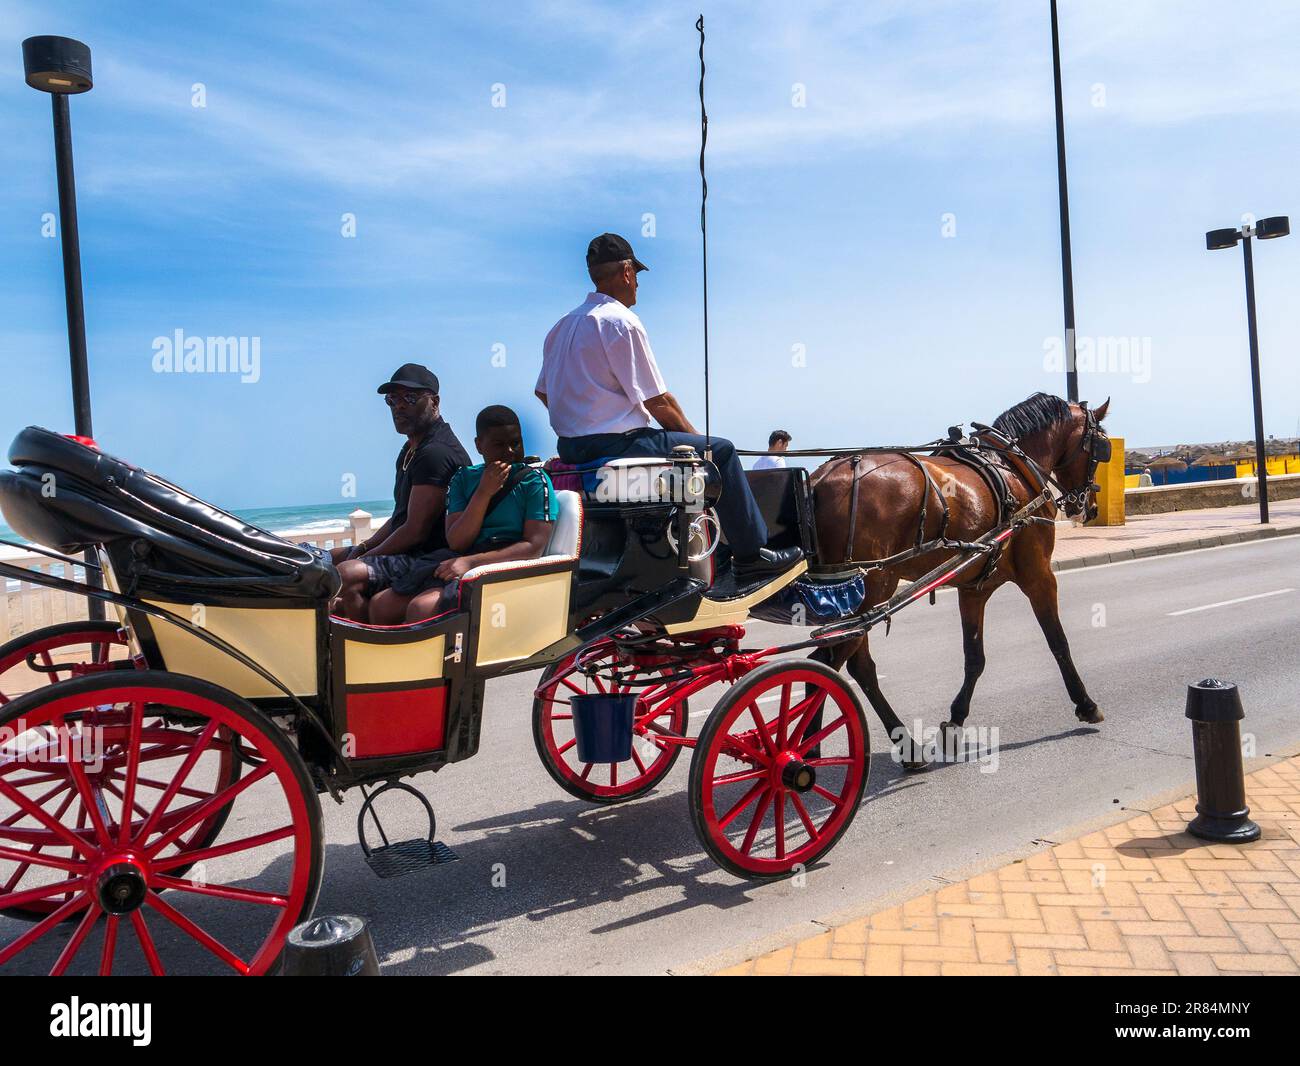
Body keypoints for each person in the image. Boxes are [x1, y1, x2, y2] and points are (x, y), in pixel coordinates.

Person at [535, 232, 801, 581]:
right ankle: (752, 554)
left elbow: (543, 394)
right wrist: (699, 443)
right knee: (721, 451)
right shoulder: (619, 321)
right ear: (627, 272)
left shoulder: (561, 326)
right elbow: (657, 400)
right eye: (638, 278)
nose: (638, 288)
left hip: (571, 448)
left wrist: (581, 416)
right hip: (616, 445)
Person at [368, 405, 558, 624]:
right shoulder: (463, 478)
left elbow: (533, 547)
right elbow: (458, 541)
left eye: (515, 443)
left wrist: (471, 563)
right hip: (460, 556)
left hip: (500, 564)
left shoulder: (534, 481)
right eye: (499, 444)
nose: (509, 452)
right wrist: (483, 493)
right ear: (479, 445)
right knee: (381, 605)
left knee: (421, 608)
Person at [331, 363, 470, 621]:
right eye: (392, 400)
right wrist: (363, 546)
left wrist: (367, 556)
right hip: (411, 551)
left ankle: (366, 643)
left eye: (410, 398)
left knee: (346, 573)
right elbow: (400, 517)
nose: (399, 406)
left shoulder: (436, 452)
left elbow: (415, 531)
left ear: (434, 402)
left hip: (430, 557)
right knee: (329, 558)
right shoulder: (410, 451)